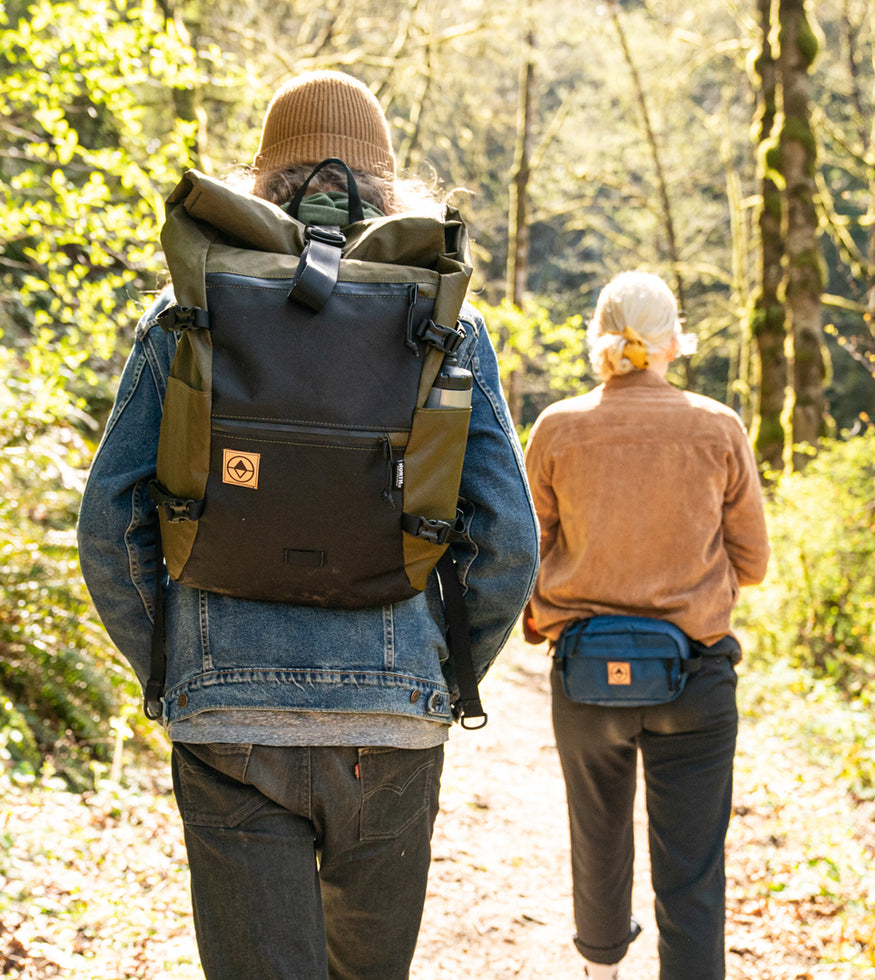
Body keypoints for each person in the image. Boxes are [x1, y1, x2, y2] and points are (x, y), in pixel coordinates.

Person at [77, 70, 539, 980]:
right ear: (385, 185)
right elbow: (508, 543)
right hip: (394, 726)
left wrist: (175, 664)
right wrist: (443, 674)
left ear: (261, 181)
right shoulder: (448, 321)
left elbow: (109, 526)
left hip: (228, 719)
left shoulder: (187, 312)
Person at [523, 271, 769, 980]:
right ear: (673, 339)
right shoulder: (717, 426)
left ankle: (600, 973)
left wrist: (548, 618)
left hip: (584, 678)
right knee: (692, 869)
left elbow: (523, 556)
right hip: (695, 678)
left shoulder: (557, 428)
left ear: (599, 338)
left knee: (596, 840)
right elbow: (751, 563)